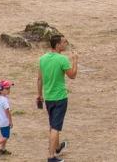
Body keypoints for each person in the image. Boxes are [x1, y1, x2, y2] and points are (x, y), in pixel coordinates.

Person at [37, 33, 77, 162]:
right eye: (64, 42)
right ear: (58, 45)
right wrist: (75, 61)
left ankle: (58, 147)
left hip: (48, 98)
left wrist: (39, 95)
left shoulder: (42, 59)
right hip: (60, 98)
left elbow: (39, 79)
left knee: (53, 124)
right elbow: (72, 75)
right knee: (55, 127)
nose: (66, 44)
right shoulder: (62, 59)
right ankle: (51, 156)